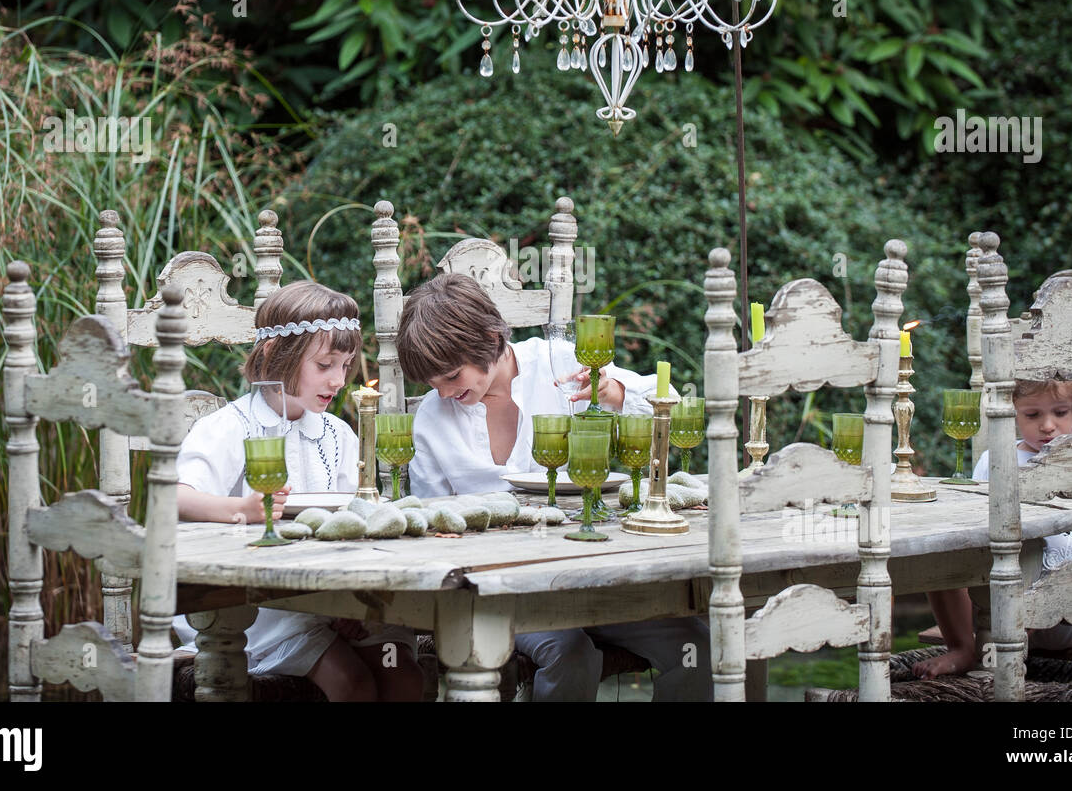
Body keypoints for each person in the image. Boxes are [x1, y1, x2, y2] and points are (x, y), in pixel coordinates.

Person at [397, 273, 712, 701]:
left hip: (590, 576)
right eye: (434, 385)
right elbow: (433, 521)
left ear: (491, 339)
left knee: (697, 646)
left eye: (452, 376)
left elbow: (668, 406)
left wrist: (615, 393)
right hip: (502, 593)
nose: (446, 393)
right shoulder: (432, 419)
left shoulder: (559, 363)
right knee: (570, 654)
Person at [173, 281, 424, 701]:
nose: (338, 380)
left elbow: (353, 523)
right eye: (325, 364)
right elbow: (176, 497)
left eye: (345, 365)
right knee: (353, 685)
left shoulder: (338, 435)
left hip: (334, 598)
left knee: (401, 673)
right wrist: (243, 509)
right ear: (275, 353)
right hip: (257, 610)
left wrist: (352, 602)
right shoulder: (230, 427)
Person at [915, 378, 1072, 679]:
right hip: (997, 611)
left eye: (1060, 412)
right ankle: (962, 648)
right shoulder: (996, 461)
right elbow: (974, 537)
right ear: (1013, 412)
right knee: (944, 557)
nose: (1048, 426)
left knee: (1035, 548)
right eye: (1032, 415)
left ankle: (1000, 656)